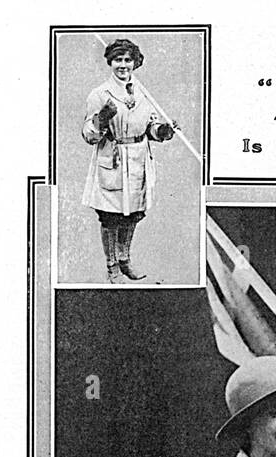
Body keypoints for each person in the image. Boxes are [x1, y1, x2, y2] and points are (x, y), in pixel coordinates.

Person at [82, 38, 178, 283]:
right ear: (110, 62)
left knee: (132, 214)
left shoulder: (144, 93)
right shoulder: (99, 94)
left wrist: (163, 131)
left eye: (127, 60)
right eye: (118, 60)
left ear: (136, 63)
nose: (122, 65)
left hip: (138, 162)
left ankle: (125, 261)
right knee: (111, 217)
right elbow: (89, 136)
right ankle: (112, 266)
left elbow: (151, 127)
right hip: (112, 161)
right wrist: (102, 119)